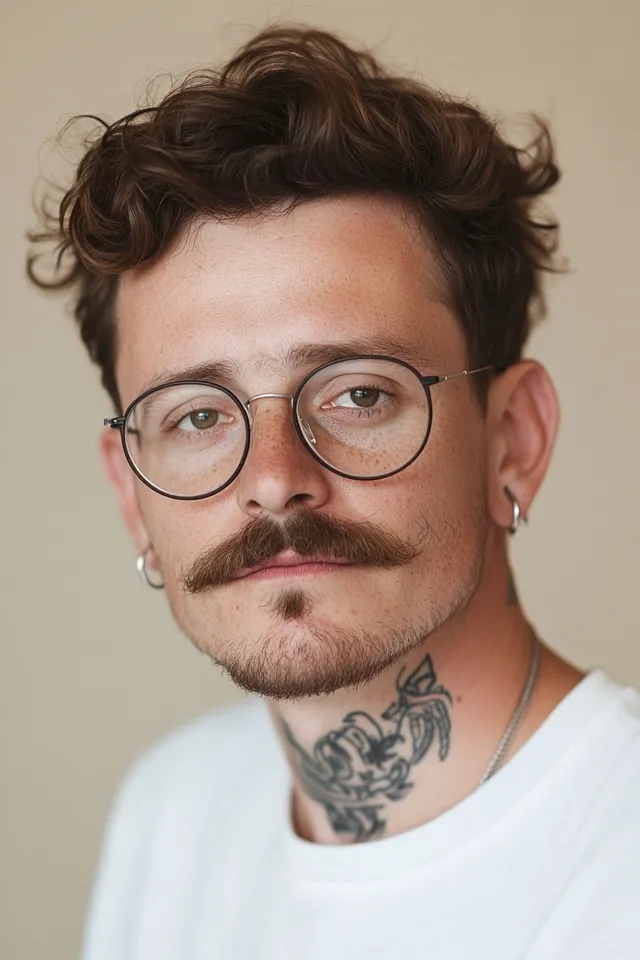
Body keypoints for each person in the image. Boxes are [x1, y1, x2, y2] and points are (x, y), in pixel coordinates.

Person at [26, 23, 640, 960]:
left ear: (512, 442)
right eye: (196, 416)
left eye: (359, 394)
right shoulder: (170, 814)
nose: (275, 480)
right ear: (129, 493)